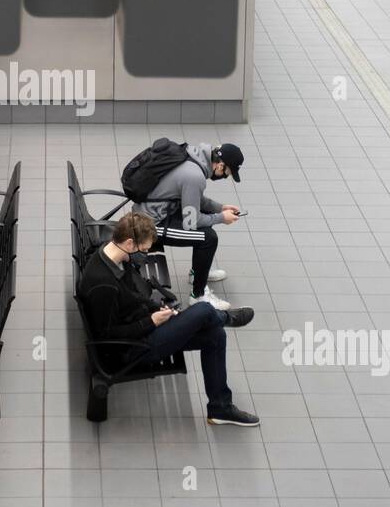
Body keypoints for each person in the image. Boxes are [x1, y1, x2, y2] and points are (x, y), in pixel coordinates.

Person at [78, 213, 259, 427]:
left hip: (143, 328)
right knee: (203, 310)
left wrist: (157, 309)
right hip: (132, 349)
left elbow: (134, 296)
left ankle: (220, 408)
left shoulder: (114, 257)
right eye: (143, 249)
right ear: (129, 243)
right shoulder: (103, 285)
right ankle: (227, 317)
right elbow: (106, 335)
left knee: (215, 335)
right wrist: (151, 322)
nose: (144, 254)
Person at [134, 141, 245, 311]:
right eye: (228, 173)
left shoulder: (193, 157)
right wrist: (221, 218)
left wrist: (220, 208)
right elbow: (191, 222)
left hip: (156, 210)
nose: (225, 176)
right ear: (220, 166)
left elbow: (193, 199)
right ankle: (198, 296)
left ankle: (197, 274)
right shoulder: (195, 176)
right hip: (150, 224)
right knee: (208, 238)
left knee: (206, 225)